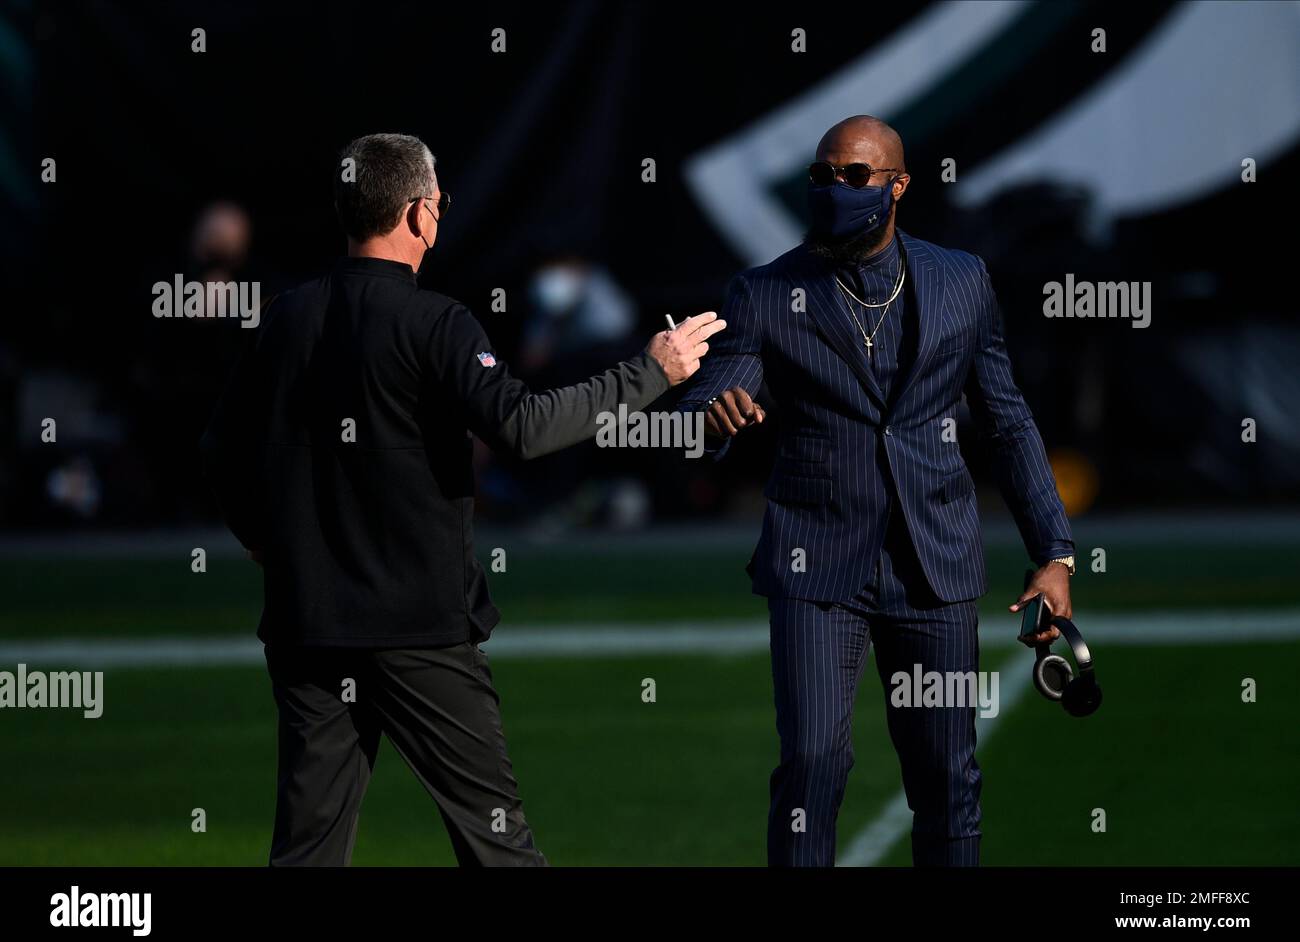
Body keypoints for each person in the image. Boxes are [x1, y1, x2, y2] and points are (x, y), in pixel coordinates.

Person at [200, 132, 722, 866]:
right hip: (418, 628)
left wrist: (264, 540)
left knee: (307, 852)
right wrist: (650, 374)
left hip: (307, 627)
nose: (441, 211)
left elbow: (220, 449)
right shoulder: (436, 323)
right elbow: (527, 428)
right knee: (499, 848)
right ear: (417, 215)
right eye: (438, 199)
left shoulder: (289, 317)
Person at [680, 115, 1076, 867]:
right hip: (816, 567)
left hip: (935, 564)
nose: (836, 190)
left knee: (947, 778)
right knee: (812, 768)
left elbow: (1008, 421)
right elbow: (713, 396)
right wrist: (709, 417)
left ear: (897, 185)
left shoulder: (961, 280)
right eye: (823, 176)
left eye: (856, 176)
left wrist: (1054, 552)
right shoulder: (766, 292)